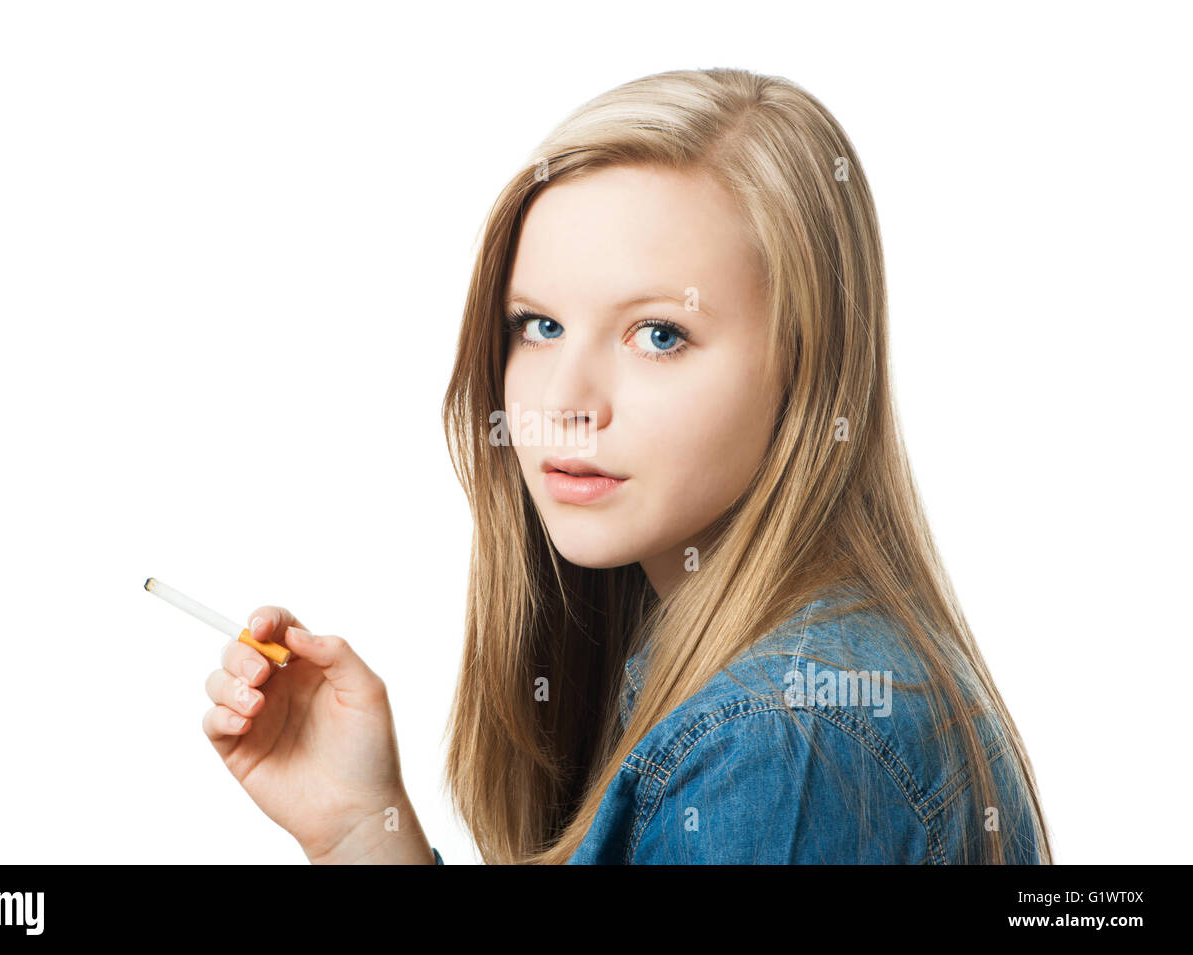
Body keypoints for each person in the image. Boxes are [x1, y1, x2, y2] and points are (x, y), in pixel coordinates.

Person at [201, 67, 1052, 865]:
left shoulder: (782, 745)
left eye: (658, 334)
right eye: (538, 325)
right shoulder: (732, 672)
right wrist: (361, 827)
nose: (564, 401)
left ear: (806, 364)